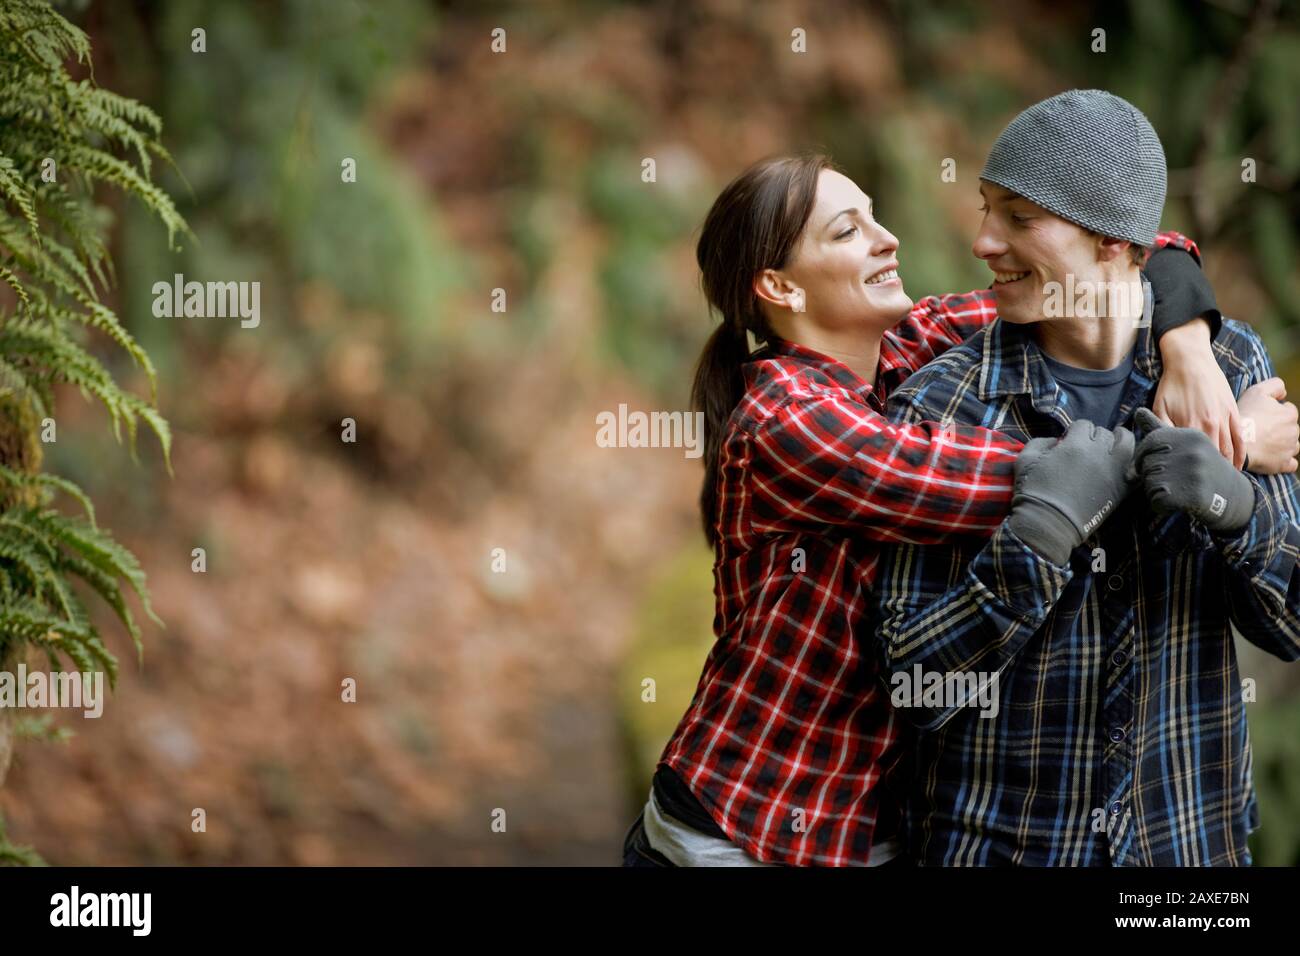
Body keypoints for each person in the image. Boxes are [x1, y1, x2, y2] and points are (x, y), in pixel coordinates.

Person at [620, 146, 1288, 866]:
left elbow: (1126, 261)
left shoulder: (908, 347)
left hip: (869, 831)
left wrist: (1186, 346)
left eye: (876, 218)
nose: (888, 239)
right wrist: (1234, 445)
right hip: (747, 824)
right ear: (780, 287)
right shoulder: (784, 419)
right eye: (848, 232)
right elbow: (1057, 481)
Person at [873, 89, 1300, 866]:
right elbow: (910, 679)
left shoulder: (1229, 368)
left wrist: (1239, 515)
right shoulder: (943, 402)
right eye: (985, 209)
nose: (981, 241)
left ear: (1113, 241)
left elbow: (1293, 624)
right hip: (996, 849)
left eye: (1019, 218)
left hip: (1188, 852)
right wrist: (1039, 535)